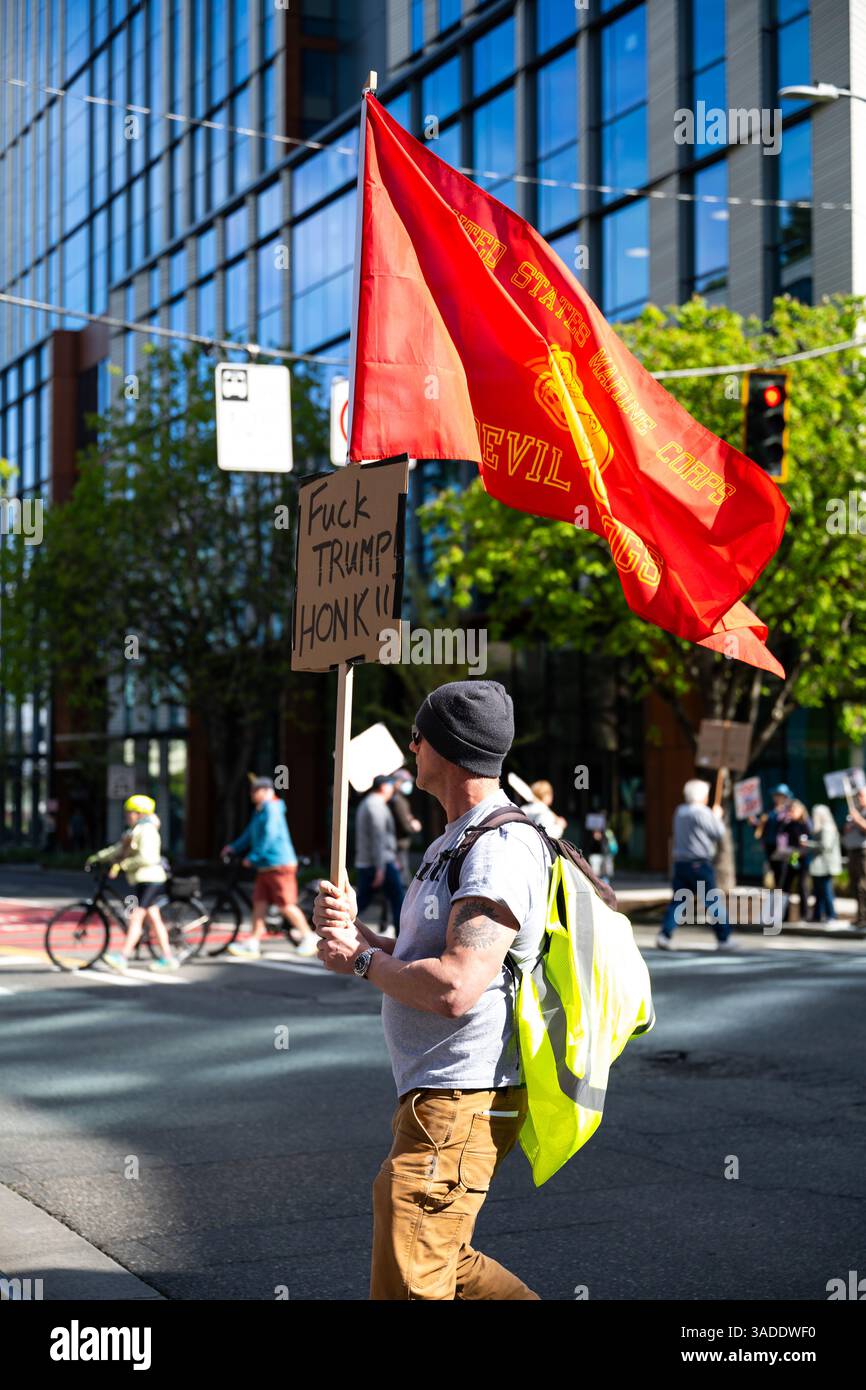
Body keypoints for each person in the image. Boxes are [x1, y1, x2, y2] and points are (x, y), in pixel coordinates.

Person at [314, 679, 545, 1300]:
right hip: (435, 1100)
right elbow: (425, 959)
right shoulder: (456, 839)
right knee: (441, 1262)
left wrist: (361, 961)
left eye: (419, 734)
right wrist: (360, 937)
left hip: (459, 1102)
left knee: (410, 1280)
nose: (410, 745)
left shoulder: (498, 849)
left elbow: (454, 987)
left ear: (445, 747)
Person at [221, 777, 316, 959]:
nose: (251, 795)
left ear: (265, 791)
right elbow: (250, 833)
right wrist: (233, 847)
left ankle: (308, 937)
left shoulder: (272, 809)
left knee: (285, 904)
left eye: (254, 791)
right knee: (259, 904)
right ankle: (253, 943)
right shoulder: (261, 810)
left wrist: (253, 857)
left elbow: (269, 836)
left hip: (279, 864)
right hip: (265, 867)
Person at [88, 794, 178, 974]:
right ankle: (168, 958)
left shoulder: (148, 831)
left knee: (136, 917)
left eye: (130, 812)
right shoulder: (135, 830)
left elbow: (147, 857)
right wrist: (98, 857)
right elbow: (118, 848)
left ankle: (122, 957)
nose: (127, 815)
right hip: (142, 879)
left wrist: (122, 865)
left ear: (139, 813)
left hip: (151, 879)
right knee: (154, 919)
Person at [657, 779, 732, 950]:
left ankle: (665, 934)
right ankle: (724, 937)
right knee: (712, 901)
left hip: (681, 863)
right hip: (699, 863)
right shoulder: (702, 812)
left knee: (679, 901)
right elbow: (718, 833)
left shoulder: (680, 811)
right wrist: (717, 816)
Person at [354, 775, 405, 932]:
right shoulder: (374, 805)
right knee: (398, 900)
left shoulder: (371, 803)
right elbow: (378, 837)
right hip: (378, 862)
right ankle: (402, 937)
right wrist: (380, 868)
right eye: (390, 785)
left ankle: (333, 926)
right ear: (383, 787)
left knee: (361, 901)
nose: (393, 789)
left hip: (375, 861)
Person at [776, 799, 813, 922]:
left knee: (802, 886)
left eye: (794, 810)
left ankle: (805, 915)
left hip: (802, 858)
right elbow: (780, 831)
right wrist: (784, 818)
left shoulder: (805, 824)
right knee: (786, 886)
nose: (792, 813)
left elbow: (809, 840)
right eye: (790, 810)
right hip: (792, 857)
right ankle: (784, 915)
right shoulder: (789, 824)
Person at [809, 803, 842, 925]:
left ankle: (831, 915)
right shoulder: (823, 827)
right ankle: (817, 915)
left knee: (826, 891)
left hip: (825, 865)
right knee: (818, 892)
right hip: (820, 865)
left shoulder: (827, 827)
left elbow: (825, 846)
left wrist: (808, 845)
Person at [388, 768, 422, 881]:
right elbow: (405, 825)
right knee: (403, 879)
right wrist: (413, 825)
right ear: (397, 782)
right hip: (398, 845)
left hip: (397, 845)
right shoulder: (398, 800)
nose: (408, 784)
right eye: (405, 782)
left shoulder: (396, 799)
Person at [842, 785, 866, 928]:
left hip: (863, 851)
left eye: (861, 796)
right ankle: (860, 916)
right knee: (856, 885)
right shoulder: (856, 812)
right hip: (853, 850)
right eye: (857, 796)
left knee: (863, 885)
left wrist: (857, 820)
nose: (858, 798)